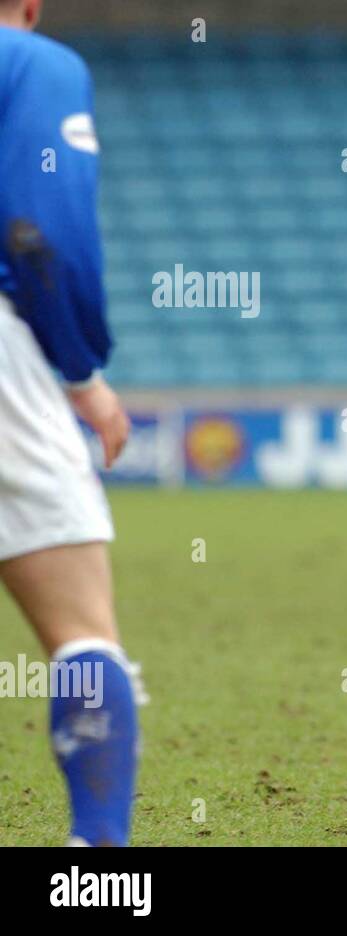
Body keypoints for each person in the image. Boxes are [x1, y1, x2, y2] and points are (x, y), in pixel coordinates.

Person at [1, 0, 144, 845]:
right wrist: (83, 370)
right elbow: (38, 231)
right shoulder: (32, 62)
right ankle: (95, 866)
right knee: (81, 634)